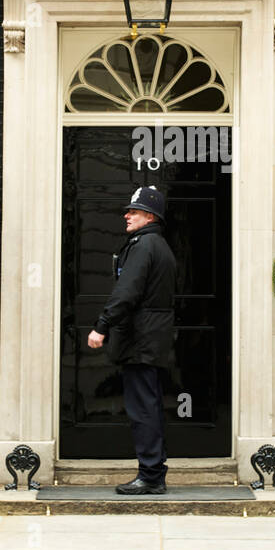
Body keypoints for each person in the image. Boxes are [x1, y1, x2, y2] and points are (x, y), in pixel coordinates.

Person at [87, 185, 176, 495]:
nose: (126, 215)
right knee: (148, 405)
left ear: (149, 216)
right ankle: (153, 472)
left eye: (133, 211)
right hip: (149, 338)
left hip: (140, 339)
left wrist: (101, 326)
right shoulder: (157, 245)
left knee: (143, 409)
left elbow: (126, 293)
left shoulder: (144, 246)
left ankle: (150, 475)